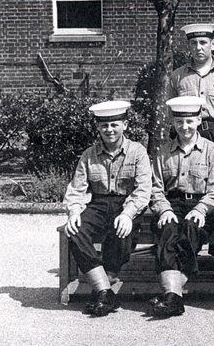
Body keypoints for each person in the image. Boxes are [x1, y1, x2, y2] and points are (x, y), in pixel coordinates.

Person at [63, 100, 152, 317]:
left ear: (125, 125)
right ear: (98, 127)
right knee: (75, 231)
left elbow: (143, 189)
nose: (109, 130)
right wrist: (74, 212)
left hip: (127, 203)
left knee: (122, 231)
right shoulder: (89, 154)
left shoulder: (137, 151)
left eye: (114, 125)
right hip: (98, 203)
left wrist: (128, 214)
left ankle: (103, 289)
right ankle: (106, 291)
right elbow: (77, 188)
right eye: (104, 126)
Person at [148, 96, 214, 318]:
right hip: (172, 204)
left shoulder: (212, 150)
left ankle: (171, 294)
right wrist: (164, 209)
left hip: (202, 204)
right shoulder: (163, 152)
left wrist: (201, 208)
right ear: (173, 123)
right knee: (168, 231)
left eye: (190, 121)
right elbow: (155, 187)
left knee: (192, 229)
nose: (185, 127)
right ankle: (175, 297)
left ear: (199, 120)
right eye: (180, 122)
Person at [170, 23, 214, 157]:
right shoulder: (178, 76)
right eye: (193, 43)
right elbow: (171, 111)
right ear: (188, 46)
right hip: (188, 132)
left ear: (212, 44)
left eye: (203, 42)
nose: (198, 48)